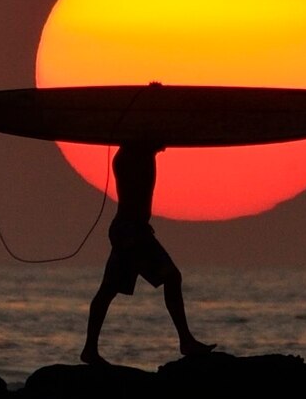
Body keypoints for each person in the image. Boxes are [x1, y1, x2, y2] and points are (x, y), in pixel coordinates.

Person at [81, 140, 215, 366]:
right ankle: (186, 341)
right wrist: (137, 229)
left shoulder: (135, 154)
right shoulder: (133, 156)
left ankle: (89, 349)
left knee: (109, 289)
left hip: (130, 229)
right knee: (170, 277)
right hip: (131, 232)